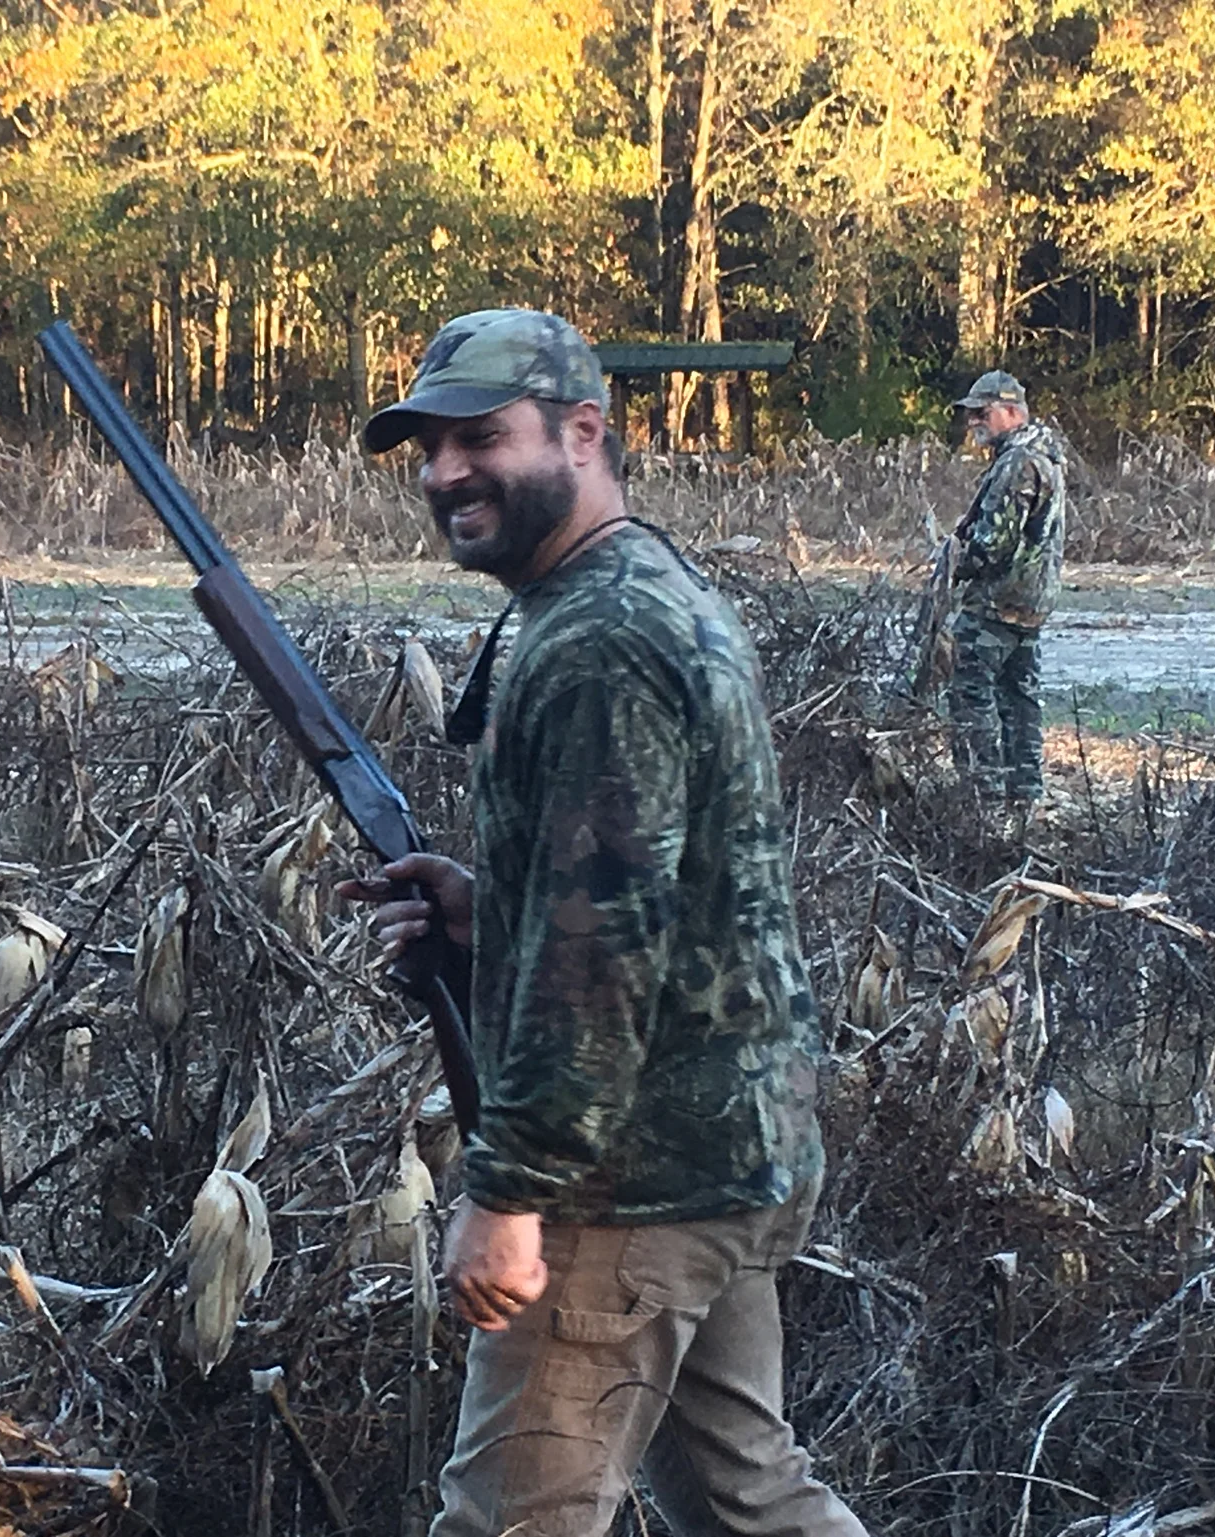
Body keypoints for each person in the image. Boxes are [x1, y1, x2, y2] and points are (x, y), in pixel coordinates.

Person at [339, 308, 867, 1537]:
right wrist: (492, 907)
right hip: (720, 1151)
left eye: (481, 438)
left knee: (509, 1523)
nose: (444, 472)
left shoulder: (598, 642)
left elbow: (600, 963)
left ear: (583, 434)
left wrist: (509, 1193)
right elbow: (663, 890)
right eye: (427, 448)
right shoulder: (631, 591)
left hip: (621, 1185)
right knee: (750, 1500)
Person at [946, 370, 1068, 808]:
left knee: (968, 694)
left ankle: (983, 797)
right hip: (1031, 603)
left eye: (983, 412)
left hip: (997, 603)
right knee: (1019, 698)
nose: (974, 421)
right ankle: (1025, 796)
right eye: (971, 414)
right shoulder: (1047, 454)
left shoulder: (1018, 463)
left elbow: (995, 542)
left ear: (1012, 411)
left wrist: (956, 568)